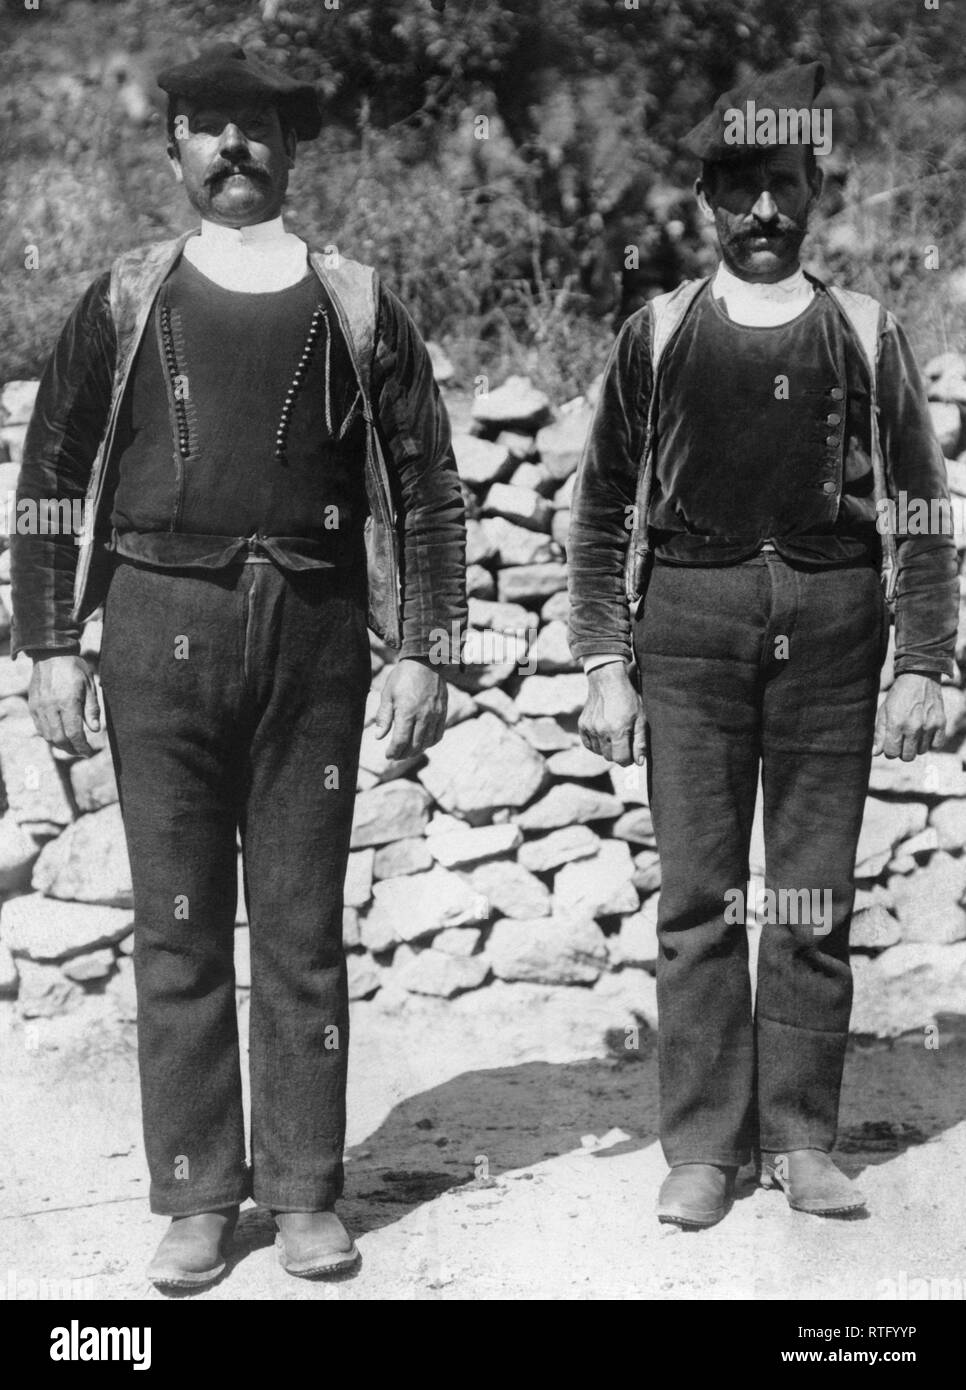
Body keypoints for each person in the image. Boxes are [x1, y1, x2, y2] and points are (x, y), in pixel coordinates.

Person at [11, 43, 466, 1286]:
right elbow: (50, 481)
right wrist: (51, 641)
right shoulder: (125, 296)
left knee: (305, 927)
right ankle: (197, 1194)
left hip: (315, 632)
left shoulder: (357, 301)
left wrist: (424, 645)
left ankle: (309, 1189)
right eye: (208, 125)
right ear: (174, 148)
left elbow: (428, 487)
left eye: (256, 126)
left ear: (291, 147)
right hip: (159, 624)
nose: (233, 148)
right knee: (176, 927)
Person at [568, 62, 957, 1228]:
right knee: (697, 899)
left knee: (809, 902)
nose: (766, 213)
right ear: (706, 197)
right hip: (689, 624)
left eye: (785, 186)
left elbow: (923, 508)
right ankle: (700, 1146)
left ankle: (800, 1138)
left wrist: (925, 660)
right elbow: (599, 510)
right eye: (741, 191)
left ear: (815, 189)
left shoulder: (866, 333)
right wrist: (602, 660)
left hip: (836, 630)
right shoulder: (659, 333)